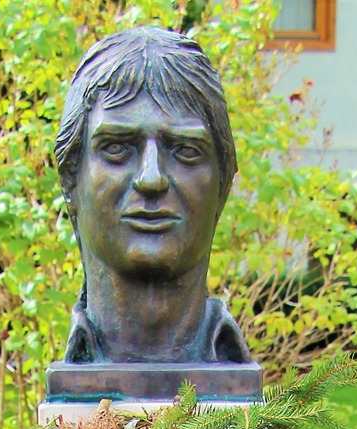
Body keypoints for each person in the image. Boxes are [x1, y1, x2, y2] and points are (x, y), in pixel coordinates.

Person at [53, 27, 252, 369]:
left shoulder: (236, 381)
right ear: (71, 181)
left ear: (223, 187)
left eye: (186, 150)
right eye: (116, 148)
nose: (151, 178)